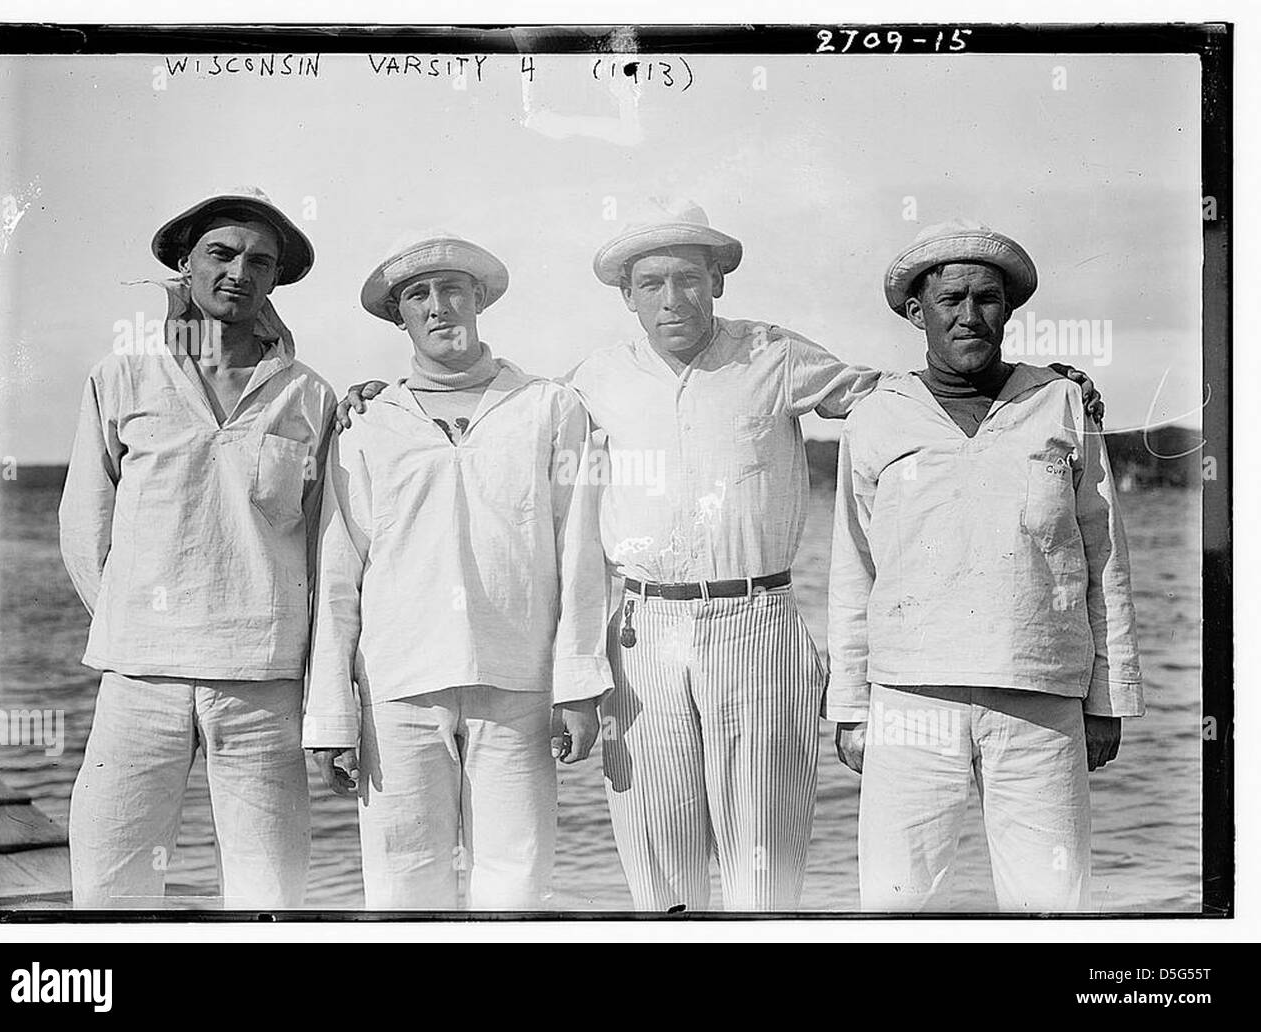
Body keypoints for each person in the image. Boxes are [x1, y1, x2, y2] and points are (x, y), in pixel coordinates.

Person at [338, 199, 1105, 913]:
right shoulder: (589, 383)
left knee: (764, 873)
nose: (673, 298)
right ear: (627, 297)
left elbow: (894, 394)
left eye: (688, 278)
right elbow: (501, 416)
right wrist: (383, 395)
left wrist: (1040, 384)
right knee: (660, 873)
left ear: (716, 282)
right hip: (641, 636)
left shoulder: (773, 355)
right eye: (652, 283)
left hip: (760, 624)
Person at [828, 218, 1143, 912]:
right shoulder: (878, 417)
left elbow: (1104, 557)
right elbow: (854, 569)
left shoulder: (1059, 404)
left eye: (989, 299)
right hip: (910, 700)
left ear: (1009, 309)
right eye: (951, 301)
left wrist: (1107, 699)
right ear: (918, 313)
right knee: (896, 906)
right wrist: (851, 708)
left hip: (1040, 696)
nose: (971, 316)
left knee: (1054, 905)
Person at [303, 232, 611, 910]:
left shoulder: (549, 408)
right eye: (418, 295)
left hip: (518, 686)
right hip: (398, 691)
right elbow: (336, 577)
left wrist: (579, 686)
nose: (439, 307)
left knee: (516, 888)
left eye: (453, 291)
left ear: (478, 301)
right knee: (402, 891)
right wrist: (329, 718)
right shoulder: (367, 424)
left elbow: (581, 554)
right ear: (398, 315)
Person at [59, 186, 335, 908]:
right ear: (185, 265)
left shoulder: (311, 397)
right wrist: (132, 620)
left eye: (259, 261)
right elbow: (85, 527)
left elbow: (322, 544)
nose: (238, 271)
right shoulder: (121, 377)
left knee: (270, 891)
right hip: (138, 675)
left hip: (261, 678)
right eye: (221, 253)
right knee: (111, 885)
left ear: (276, 280)